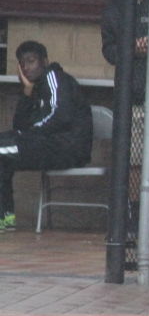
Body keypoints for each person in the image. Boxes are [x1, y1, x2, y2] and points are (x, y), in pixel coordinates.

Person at [0, 41, 93, 231]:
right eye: (22, 64)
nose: (26, 68)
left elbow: (60, 117)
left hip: (66, 147)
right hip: (46, 145)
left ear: (45, 61)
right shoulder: (36, 88)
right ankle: (5, 219)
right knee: (3, 154)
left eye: (31, 61)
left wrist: (29, 135)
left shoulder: (54, 78)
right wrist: (26, 93)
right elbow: (20, 127)